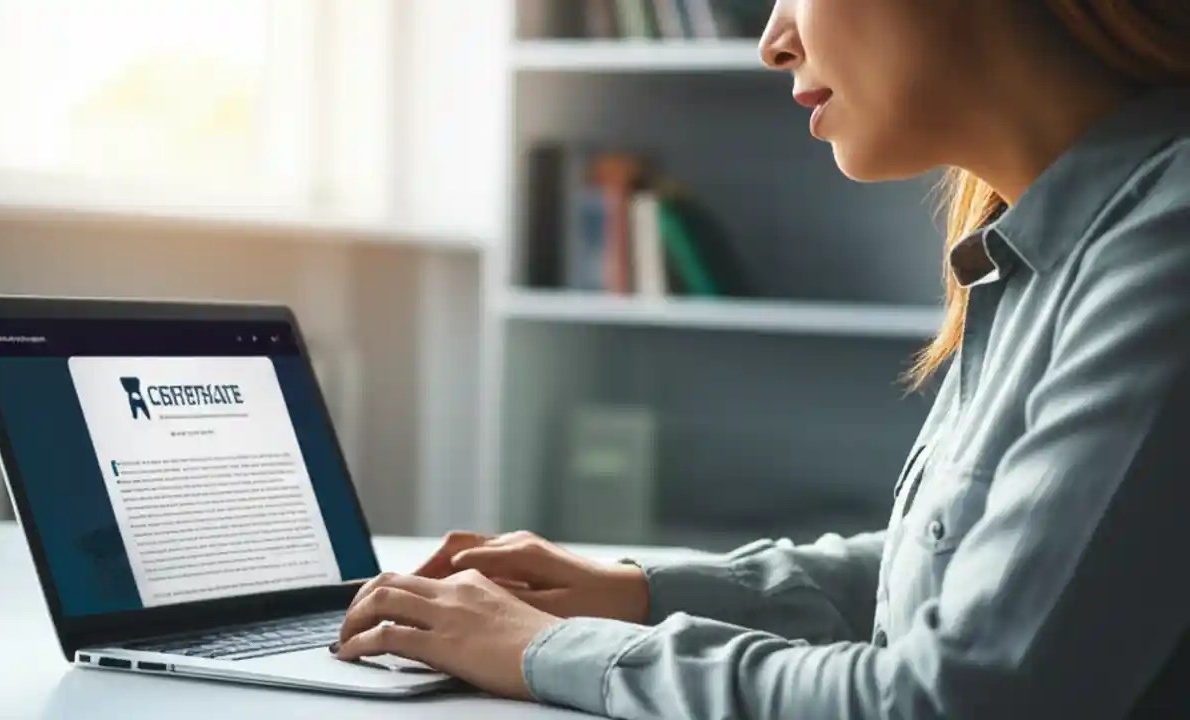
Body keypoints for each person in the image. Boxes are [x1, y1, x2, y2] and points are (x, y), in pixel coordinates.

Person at [333, 1, 1190, 717]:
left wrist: (543, 649)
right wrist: (636, 592)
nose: (773, 38)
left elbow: (949, 698)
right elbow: (952, 574)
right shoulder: (1061, 244)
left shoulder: (1168, 249)